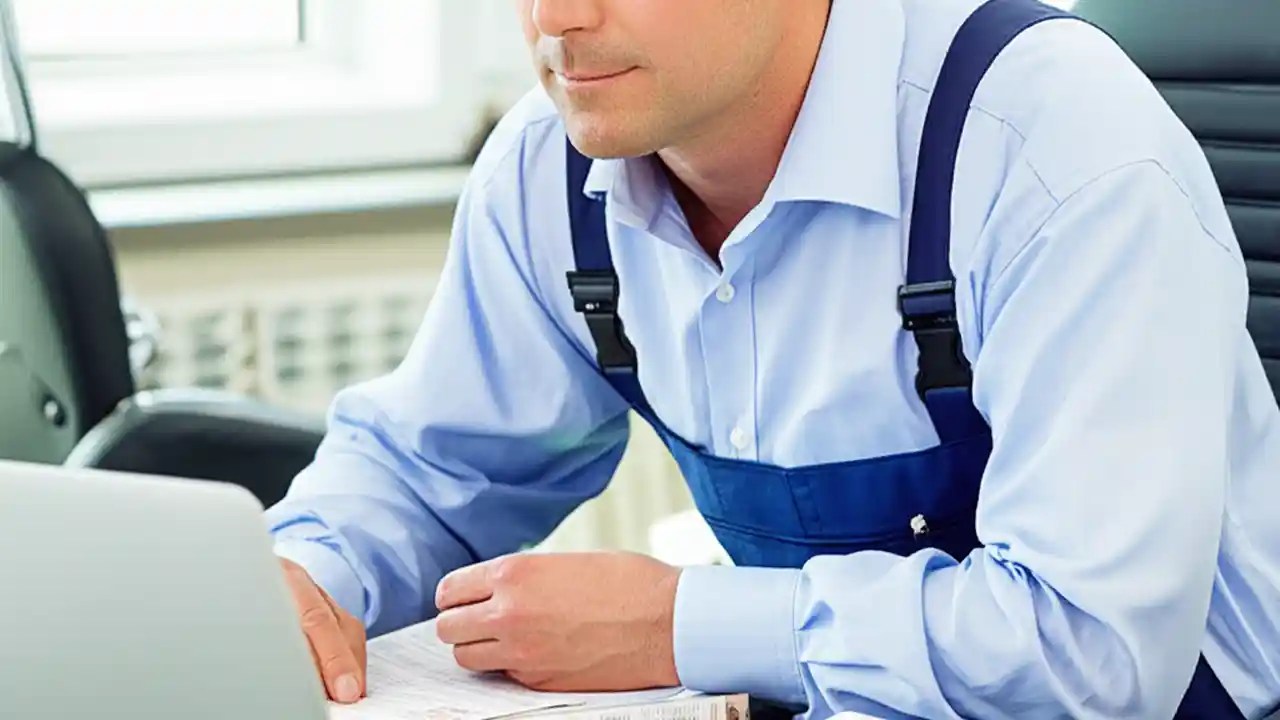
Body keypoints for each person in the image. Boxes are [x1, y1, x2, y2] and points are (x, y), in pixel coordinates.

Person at [265, 0, 1280, 717]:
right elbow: (431, 477)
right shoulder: (548, 170)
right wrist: (307, 577)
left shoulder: (1051, 148)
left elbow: (1091, 658)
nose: (555, 17)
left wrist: (677, 624)